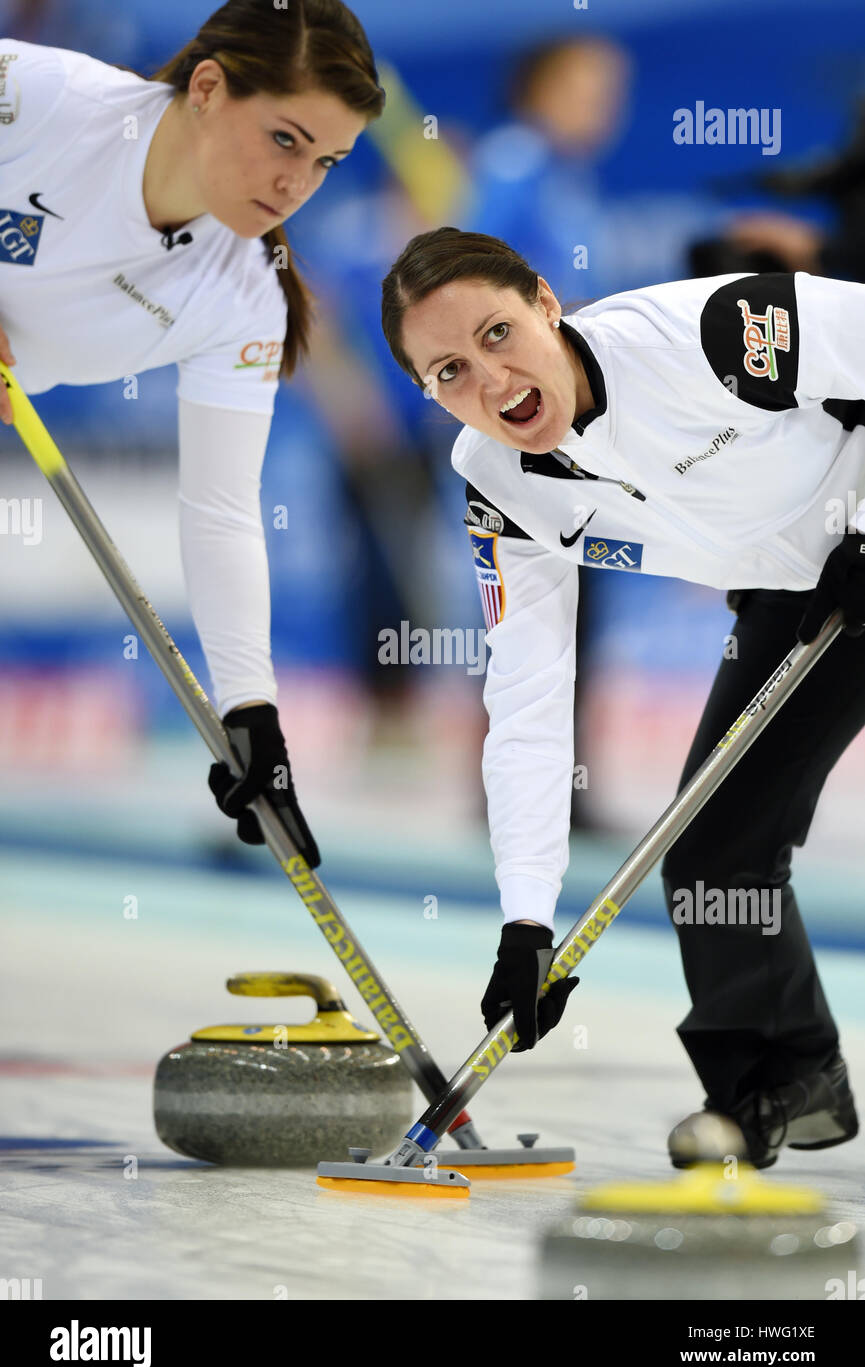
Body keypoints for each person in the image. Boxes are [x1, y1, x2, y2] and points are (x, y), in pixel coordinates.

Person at [380, 226, 863, 1169]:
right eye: (445, 372)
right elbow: (524, 701)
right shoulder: (499, 487)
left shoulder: (712, 330)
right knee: (717, 844)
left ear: (546, 304)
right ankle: (781, 1082)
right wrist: (525, 922)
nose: (489, 380)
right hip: (804, 591)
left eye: (496, 334)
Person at [0, 0, 385, 863]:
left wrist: (251, 712)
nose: (296, 184)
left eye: (326, 161)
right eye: (284, 139)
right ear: (207, 88)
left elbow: (220, 508)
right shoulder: (45, 98)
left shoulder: (245, 293)